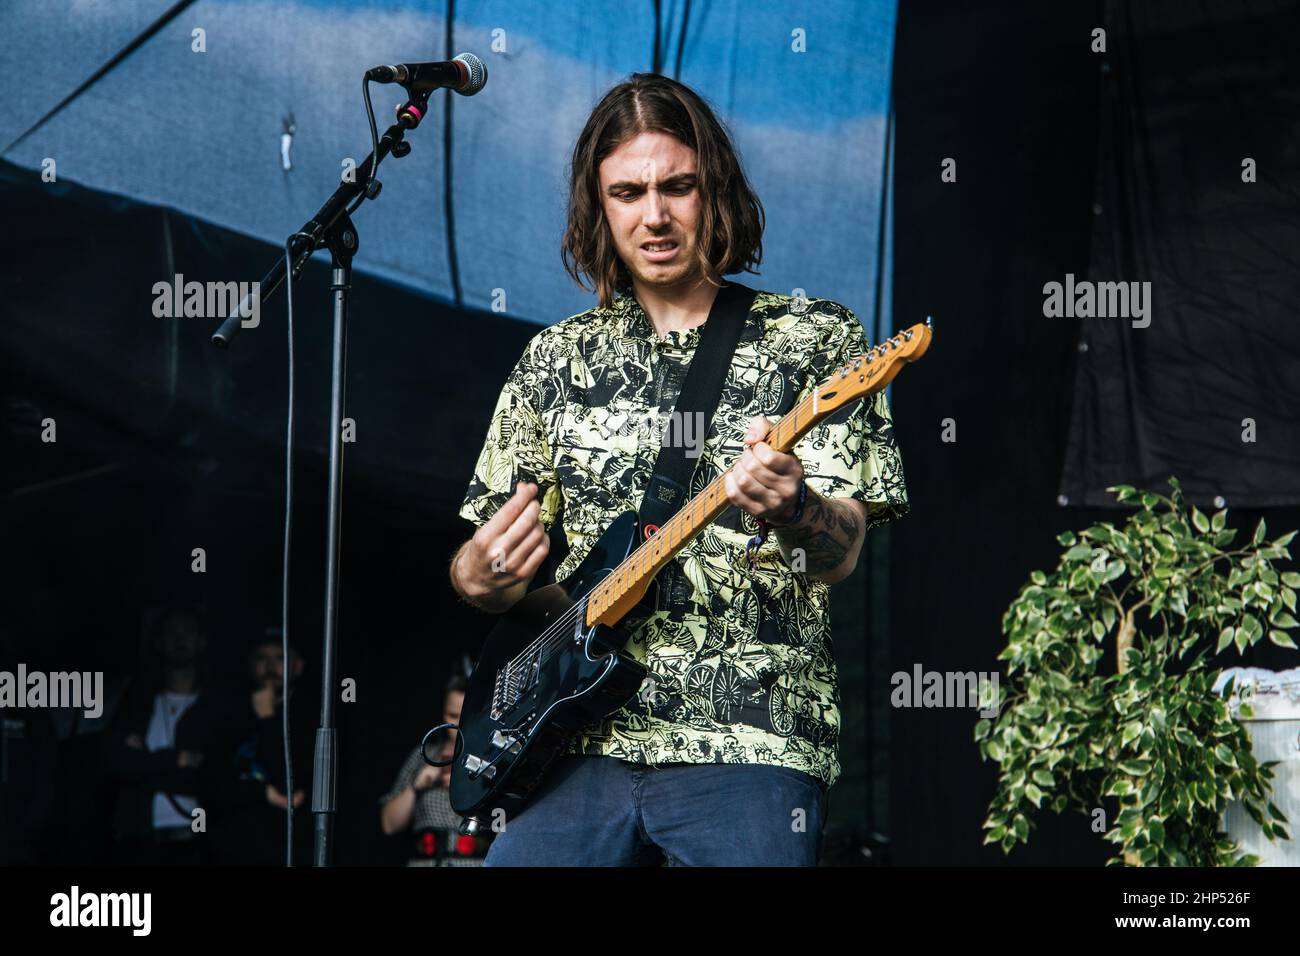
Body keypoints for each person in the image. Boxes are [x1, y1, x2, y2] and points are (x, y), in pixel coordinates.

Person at [449, 73, 908, 866]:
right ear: (600, 208)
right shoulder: (554, 360)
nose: (654, 214)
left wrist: (794, 509)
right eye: (628, 192)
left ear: (715, 194)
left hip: (750, 741)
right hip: (575, 742)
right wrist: (478, 577)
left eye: (678, 187)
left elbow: (839, 557)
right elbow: (493, 570)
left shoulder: (812, 340)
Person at [103, 607, 228, 865]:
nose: (180, 639)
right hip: (137, 840)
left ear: (202, 641)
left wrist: (147, 763)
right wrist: (179, 759)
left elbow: (215, 775)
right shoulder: (137, 704)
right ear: (159, 642)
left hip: (195, 843)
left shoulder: (217, 709)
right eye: (173, 632)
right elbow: (115, 764)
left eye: (188, 632)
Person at [206, 629, 315, 866]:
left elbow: (292, 784)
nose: (270, 666)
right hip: (232, 850)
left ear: (298, 666)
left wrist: (267, 718)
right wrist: (262, 793)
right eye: (262, 658)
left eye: (280, 657)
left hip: (287, 850)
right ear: (250, 664)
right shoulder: (229, 716)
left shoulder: (311, 718)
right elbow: (210, 785)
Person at [378, 674, 488, 866]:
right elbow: (389, 825)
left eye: (464, 716)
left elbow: (510, 823)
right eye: (452, 716)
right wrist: (415, 786)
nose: (457, 725)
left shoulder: (493, 757)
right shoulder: (424, 754)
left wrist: (471, 787)